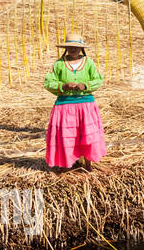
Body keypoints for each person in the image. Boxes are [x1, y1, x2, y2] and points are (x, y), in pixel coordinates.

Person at [44, 34, 106, 171]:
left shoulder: (89, 63)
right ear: (66, 48)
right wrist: (63, 86)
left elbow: (98, 79)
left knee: (87, 134)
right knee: (67, 136)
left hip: (85, 105)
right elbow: (49, 82)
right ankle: (66, 164)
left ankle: (88, 164)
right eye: (70, 47)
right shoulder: (59, 64)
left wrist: (86, 86)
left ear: (81, 49)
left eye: (76, 47)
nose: (73, 49)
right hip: (65, 105)